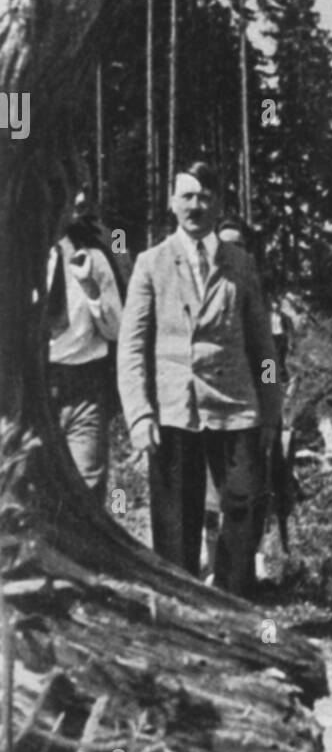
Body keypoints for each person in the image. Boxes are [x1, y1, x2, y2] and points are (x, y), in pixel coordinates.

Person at [117, 162, 281, 596]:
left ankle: (231, 598)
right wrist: (139, 414)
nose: (195, 205)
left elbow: (263, 347)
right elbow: (131, 348)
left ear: (217, 204)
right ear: (172, 203)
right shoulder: (150, 264)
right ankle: (181, 608)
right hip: (175, 411)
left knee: (245, 505)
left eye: (204, 196)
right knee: (176, 523)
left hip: (236, 407)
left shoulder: (240, 263)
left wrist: (270, 410)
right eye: (187, 195)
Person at [47, 196, 124, 506]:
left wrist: (92, 289)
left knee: (87, 497)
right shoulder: (14, 254)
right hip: (30, 390)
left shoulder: (94, 253)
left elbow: (116, 329)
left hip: (85, 391)